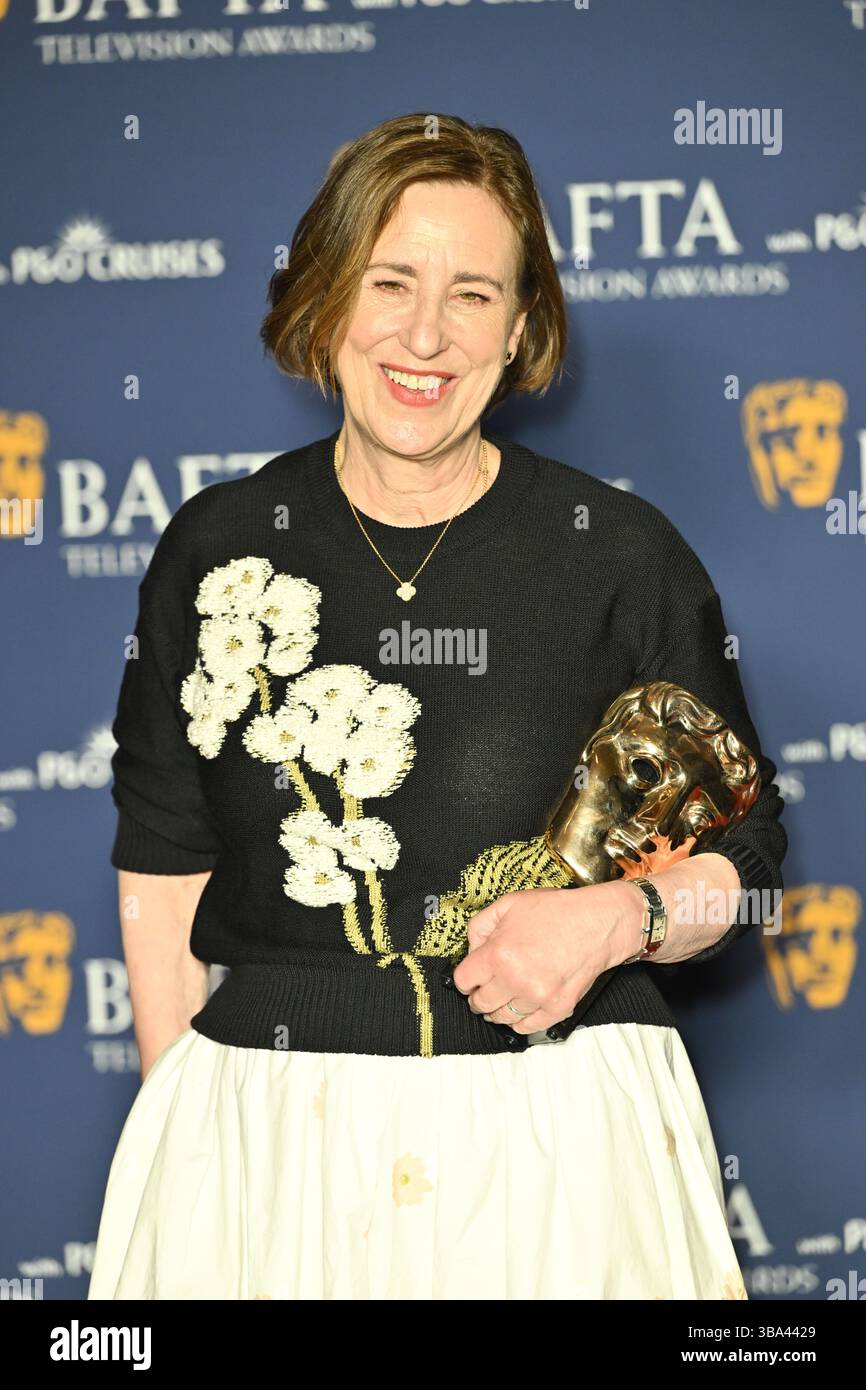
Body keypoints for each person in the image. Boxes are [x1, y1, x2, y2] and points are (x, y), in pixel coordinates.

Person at [87, 112, 787, 1301]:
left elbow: (755, 863)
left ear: (519, 331)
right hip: (272, 1144)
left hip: (564, 1144)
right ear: (323, 297)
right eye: (389, 281)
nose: (423, 333)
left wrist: (618, 920)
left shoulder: (620, 554)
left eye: (471, 294)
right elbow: (164, 861)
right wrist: (185, 1147)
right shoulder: (215, 549)